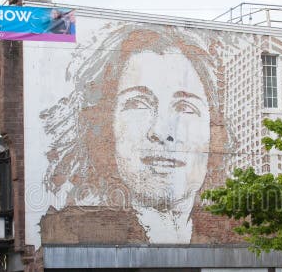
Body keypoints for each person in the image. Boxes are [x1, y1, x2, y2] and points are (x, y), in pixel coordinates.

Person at [40, 24, 236, 245]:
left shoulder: (243, 227)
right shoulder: (69, 230)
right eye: (139, 103)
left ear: (213, 131)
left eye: (185, 107)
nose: (161, 132)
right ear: (105, 124)